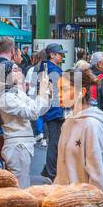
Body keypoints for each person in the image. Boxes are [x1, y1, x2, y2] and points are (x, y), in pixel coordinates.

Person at [55, 68, 103, 200]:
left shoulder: (92, 125)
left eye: (64, 90)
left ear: (81, 92)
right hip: (65, 205)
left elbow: (97, 175)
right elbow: (63, 170)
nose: (58, 94)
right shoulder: (67, 123)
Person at [0, 63, 52, 187]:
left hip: (22, 146)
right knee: (20, 188)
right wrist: (42, 90)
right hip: (17, 146)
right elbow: (33, 113)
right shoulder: (6, 98)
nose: (19, 73)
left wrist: (46, 92)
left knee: (23, 184)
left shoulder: (17, 94)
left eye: (19, 70)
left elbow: (38, 110)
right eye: (15, 70)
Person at [37, 43, 66, 179]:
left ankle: (47, 169)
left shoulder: (44, 67)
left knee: (54, 142)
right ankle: (51, 172)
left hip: (50, 110)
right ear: (52, 55)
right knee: (54, 143)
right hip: (54, 110)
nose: (62, 56)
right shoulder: (53, 70)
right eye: (60, 53)